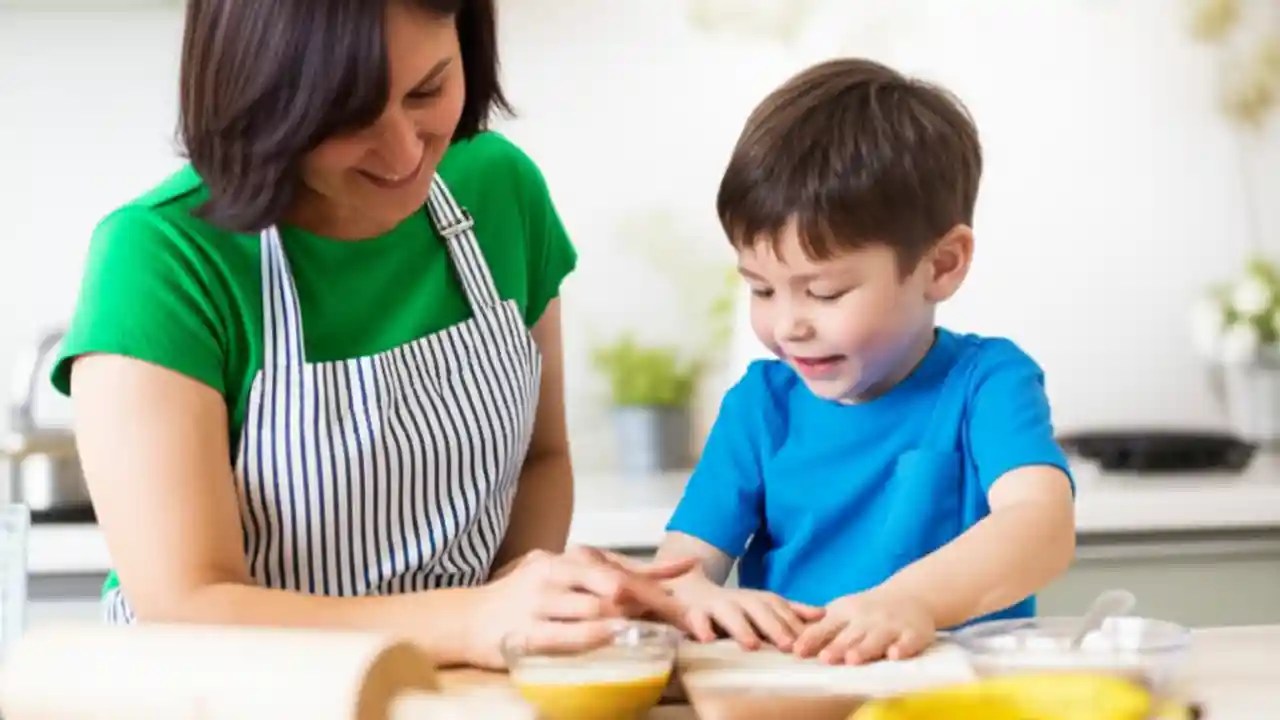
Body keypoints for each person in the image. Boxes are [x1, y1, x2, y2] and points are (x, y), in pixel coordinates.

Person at [52, 0, 687, 669]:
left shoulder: (499, 187)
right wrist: (472, 621)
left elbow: (542, 458)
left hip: (455, 694)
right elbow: (188, 608)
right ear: (260, 96)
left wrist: (526, 605)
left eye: (428, 91)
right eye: (349, 117)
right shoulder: (159, 257)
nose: (405, 151)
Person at [654, 58, 1078, 666]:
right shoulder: (760, 406)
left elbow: (1042, 527)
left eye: (824, 293)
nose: (788, 324)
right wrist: (690, 595)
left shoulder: (988, 383)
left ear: (942, 265)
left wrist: (913, 601)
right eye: (762, 289)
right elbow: (677, 572)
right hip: (800, 694)